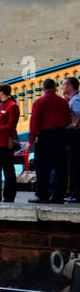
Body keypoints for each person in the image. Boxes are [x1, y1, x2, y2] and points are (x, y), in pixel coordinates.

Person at [26, 77, 70, 204]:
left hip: (45, 136)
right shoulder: (63, 102)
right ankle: (58, 196)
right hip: (61, 136)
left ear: (43, 88)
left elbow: (34, 123)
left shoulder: (39, 102)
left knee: (42, 167)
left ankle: (42, 194)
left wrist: (31, 141)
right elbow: (67, 120)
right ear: (55, 88)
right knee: (60, 167)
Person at [65, 76, 80, 204]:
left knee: (75, 165)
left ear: (70, 86)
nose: (62, 87)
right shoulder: (72, 99)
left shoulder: (75, 100)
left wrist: (75, 124)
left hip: (75, 135)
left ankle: (77, 194)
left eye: (64, 85)